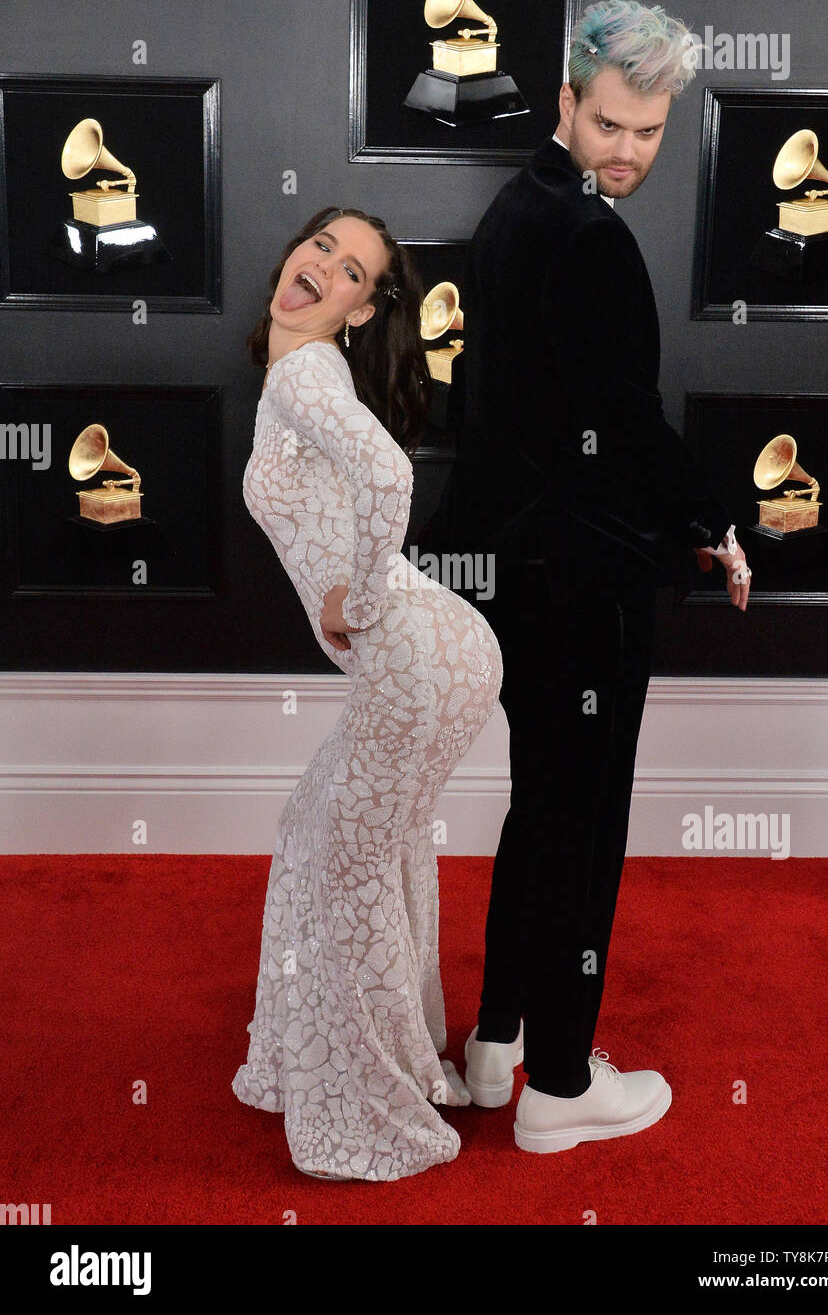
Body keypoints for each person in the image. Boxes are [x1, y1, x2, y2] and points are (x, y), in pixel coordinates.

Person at [419, 0, 752, 1154]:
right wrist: (710, 513)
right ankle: (560, 1087)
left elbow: (509, 415)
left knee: (542, 811)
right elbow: (626, 424)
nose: (627, 151)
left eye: (651, 131)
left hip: (516, 577)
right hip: (583, 582)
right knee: (584, 826)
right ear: (563, 100)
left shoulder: (515, 212)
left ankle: (496, 1043)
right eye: (610, 122)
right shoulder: (587, 235)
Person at [232, 206, 503, 1180]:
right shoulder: (301, 372)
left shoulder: (306, 371)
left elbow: (388, 473)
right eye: (319, 246)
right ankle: (403, 1058)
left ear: (357, 308)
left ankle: (372, 1102)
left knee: (343, 864)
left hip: (412, 658)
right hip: (440, 653)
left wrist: (360, 580)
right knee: (333, 835)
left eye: (349, 272)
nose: (322, 269)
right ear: (293, 249)